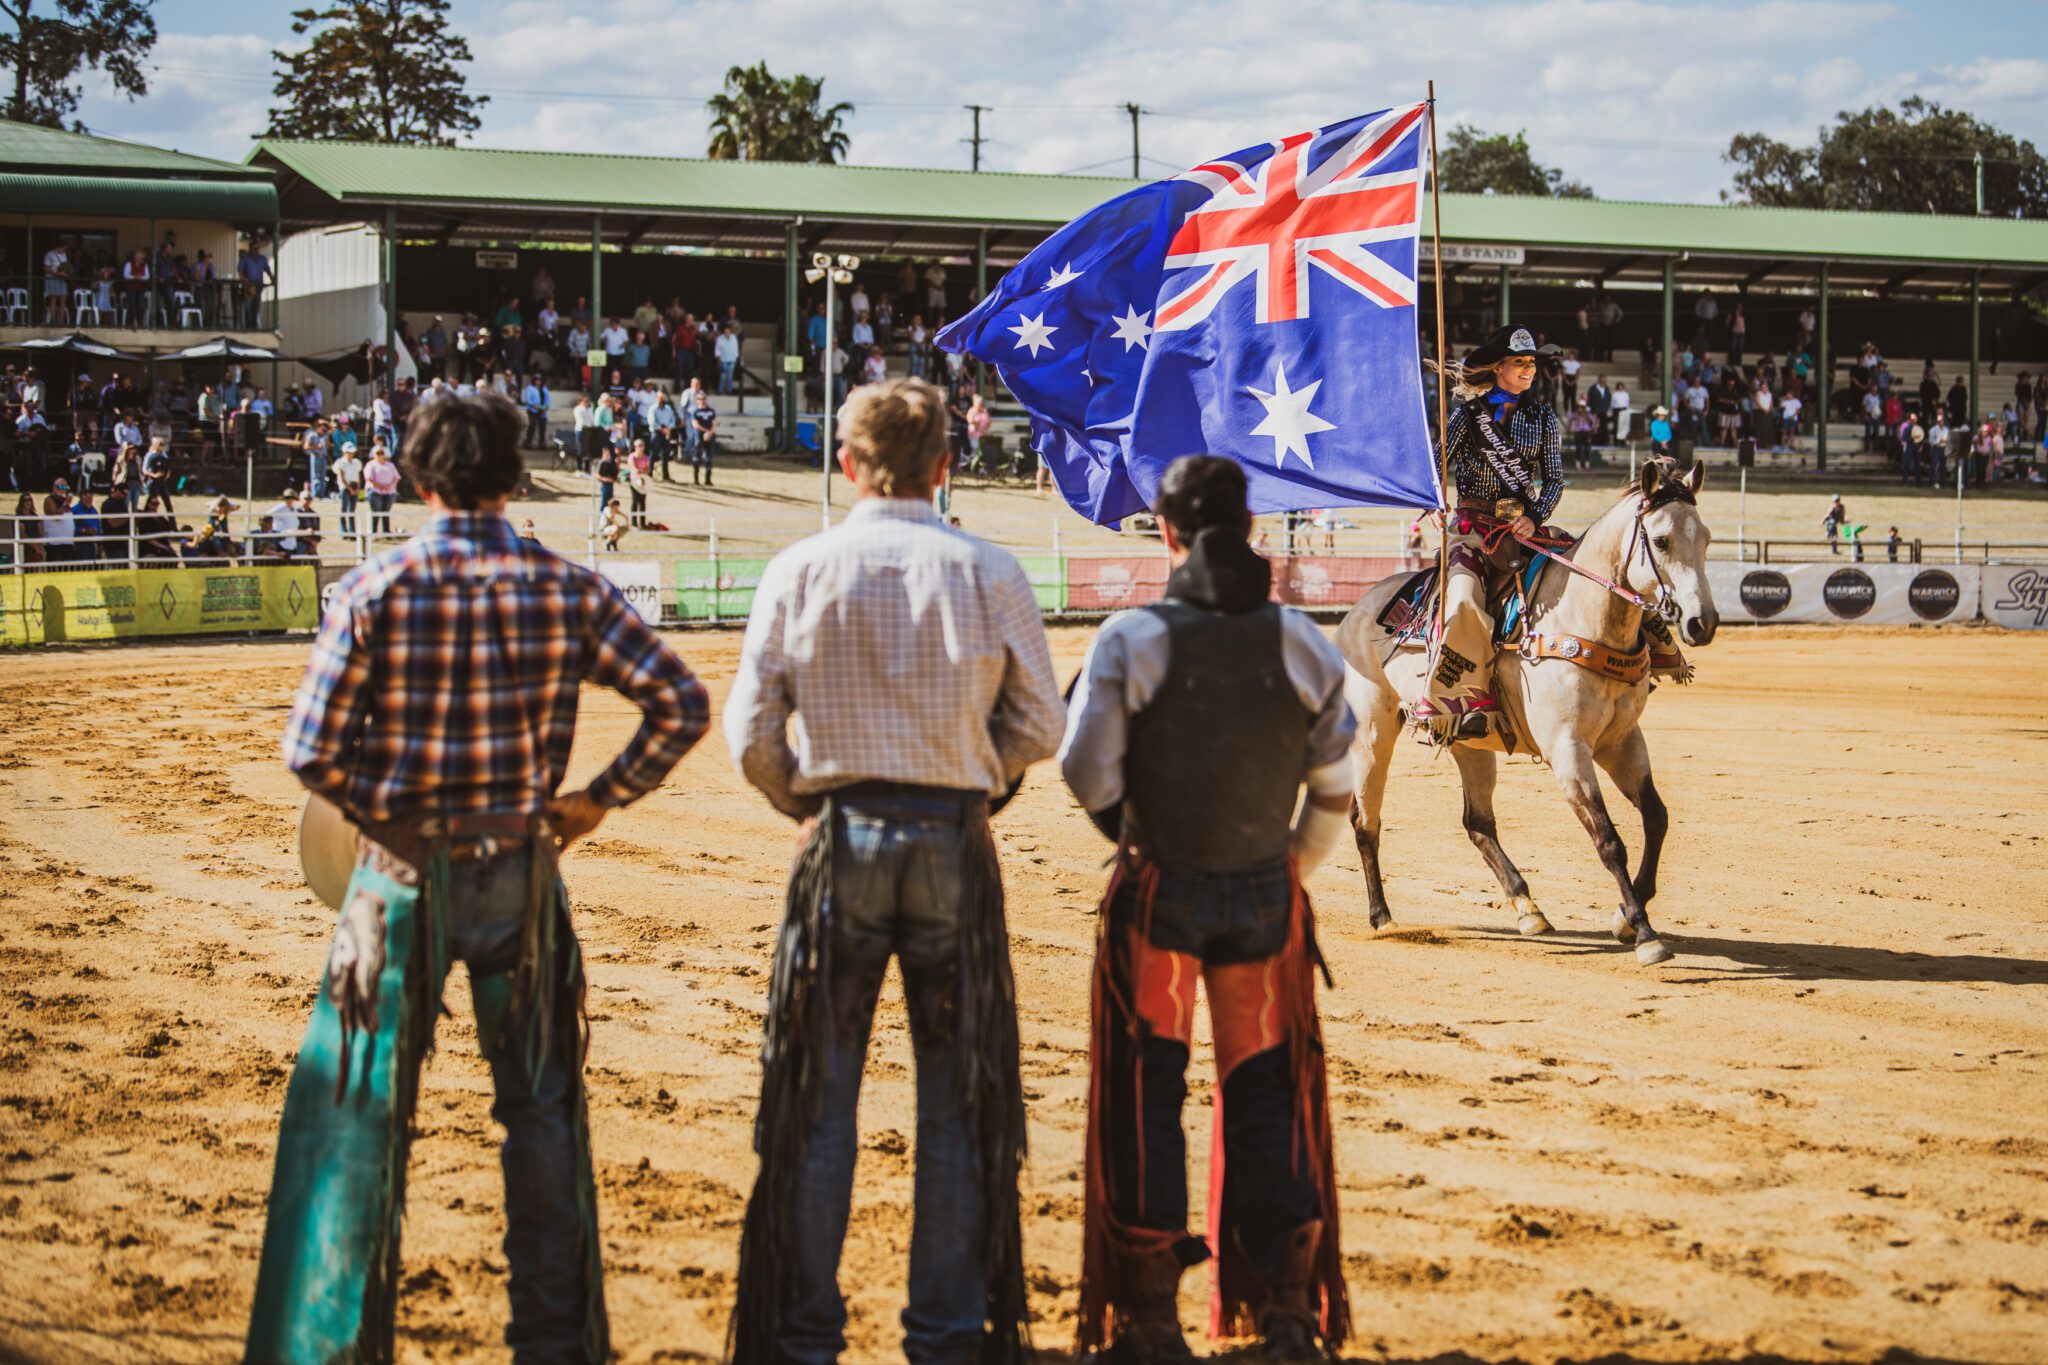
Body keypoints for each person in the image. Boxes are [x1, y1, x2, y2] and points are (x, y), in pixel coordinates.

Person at [247, 392, 709, 1364]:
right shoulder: (564, 585)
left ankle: (328, 1345)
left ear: (416, 482)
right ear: (513, 477)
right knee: (541, 1111)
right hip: (520, 869)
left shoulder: (375, 590)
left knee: (357, 1110)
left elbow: (311, 753)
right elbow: (677, 701)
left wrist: (382, 814)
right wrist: (590, 802)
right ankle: (553, 1342)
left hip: (400, 873)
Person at [722, 378, 1065, 1365]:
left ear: (847, 464)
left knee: (816, 1100)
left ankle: (800, 1339)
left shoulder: (799, 566)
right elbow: (1040, 723)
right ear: (945, 465)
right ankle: (949, 1337)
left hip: (841, 842)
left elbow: (749, 734)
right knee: (959, 1101)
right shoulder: (988, 567)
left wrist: (809, 806)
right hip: (954, 844)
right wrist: (978, 783)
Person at [1060, 454, 1354, 1364]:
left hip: (1161, 892)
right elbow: (1337, 787)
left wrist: (1138, 835)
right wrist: (1286, 866)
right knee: (1267, 1091)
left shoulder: (1129, 637)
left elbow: (1084, 769)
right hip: (1266, 895)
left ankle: (1151, 1320)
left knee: (1148, 1091)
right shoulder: (1304, 640)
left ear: (1167, 532)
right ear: (1254, 531)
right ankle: (1287, 1316)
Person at [1418, 325, 1562, 739]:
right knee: (1463, 601)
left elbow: (1554, 479)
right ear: (1498, 367)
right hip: (1473, 528)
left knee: (1586, 569)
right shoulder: (1468, 415)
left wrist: (1535, 516)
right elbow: (1437, 461)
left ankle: (1643, 659)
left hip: (1524, 527)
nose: (1529, 370)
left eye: (1532, 363)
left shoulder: (1544, 417)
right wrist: (1432, 499)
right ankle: (1461, 701)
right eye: (1520, 362)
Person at [364, 440, 400, 537]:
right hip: (375, 491)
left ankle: (386, 531)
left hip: (389, 492)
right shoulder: (371, 465)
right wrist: (380, 486)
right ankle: (373, 532)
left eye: (382, 453)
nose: (380, 455)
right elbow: (368, 478)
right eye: (378, 453)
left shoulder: (390, 465)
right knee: (376, 511)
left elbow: (396, 477)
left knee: (386, 512)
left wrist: (389, 486)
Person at [332, 438, 365, 538]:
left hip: (354, 486)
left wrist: (357, 489)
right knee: (344, 510)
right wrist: (350, 489)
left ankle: (352, 532)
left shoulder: (357, 463)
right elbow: (342, 478)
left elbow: (358, 477)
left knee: (352, 511)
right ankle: (343, 532)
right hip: (345, 488)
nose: (351, 454)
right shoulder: (340, 462)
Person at [689, 388, 717, 486]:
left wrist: (710, 433)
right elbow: (695, 425)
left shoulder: (711, 411)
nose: (702, 401)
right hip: (699, 437)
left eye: (704, 398)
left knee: (708, 458)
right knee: (697, 458)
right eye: (700, 399)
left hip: (709, 437)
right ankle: (696, 480)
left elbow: (714, 423)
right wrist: (706, 431)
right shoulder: (695, 412)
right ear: (697, 401)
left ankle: (708, 480)